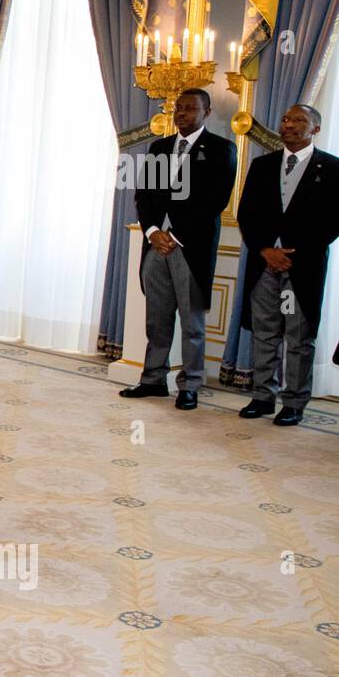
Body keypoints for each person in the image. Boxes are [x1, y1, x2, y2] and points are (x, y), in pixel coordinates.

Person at [120, 88, 236, 409]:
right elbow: (144, 195)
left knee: (192, 323)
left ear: (206, 112)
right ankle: (153, 380)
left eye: (190, 109)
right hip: (156, 246)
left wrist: (177, 235)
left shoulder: (221, 149)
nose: (182, 113)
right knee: (157, 320)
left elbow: (215, 200)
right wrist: (154, 232)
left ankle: (190, 385)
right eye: (178, 108)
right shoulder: (159, 147)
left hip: (191, 248)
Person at [236, 104, 339, 426]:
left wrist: (292, 255)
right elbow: (246, 214)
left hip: (302, 268)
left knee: (297, 337)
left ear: (315, 129)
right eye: (285, 119)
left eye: (298, 121)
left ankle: (294, 402)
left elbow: (333, 222)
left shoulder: (333, 168)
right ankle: (263, 397)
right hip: (264, 264)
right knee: (264, 333)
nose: (289, 125)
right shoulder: (263, 165)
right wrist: (266, 250)